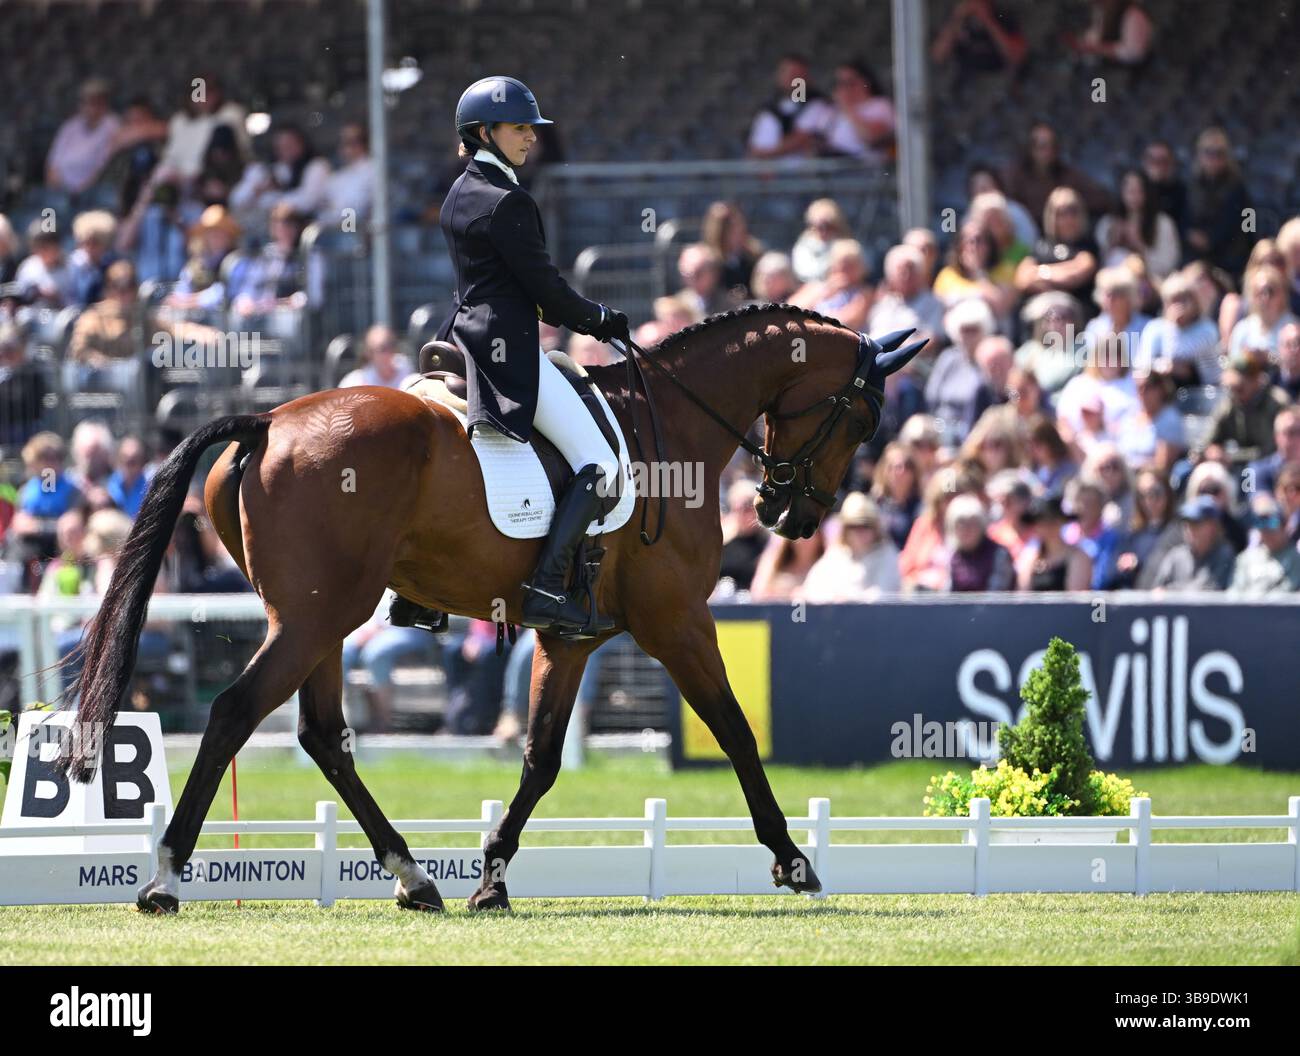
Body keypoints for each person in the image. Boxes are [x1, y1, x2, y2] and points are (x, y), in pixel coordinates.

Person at [418, 77, 629, 638]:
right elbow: (548, 292)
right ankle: (545, 588)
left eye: (531, 128)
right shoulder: (508, 201)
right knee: (601, 464)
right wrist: (602, 320)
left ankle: (415, 595)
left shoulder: (458, 194)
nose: (531, 138)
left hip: (460, 335)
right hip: (506, 349)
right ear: (484, 132)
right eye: (519, 128)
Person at [800, 492, 899, 600]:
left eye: (866, 526)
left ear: (875, 529)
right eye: (854, 526)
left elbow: (882, 595)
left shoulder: (887, 555)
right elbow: (813, 589)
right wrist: (833, 598)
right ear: (845, 530)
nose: (860, 532)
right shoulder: (835, 556)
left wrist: (848, 599)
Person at [1184, 126, 1253, 276]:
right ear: (1199, 154)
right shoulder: (1189, 186)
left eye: (1219, 153)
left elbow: (1250, 222)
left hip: (1229, 259)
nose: (1214, 158)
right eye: (1208, 152)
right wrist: (1189, 234)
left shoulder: (1238, 187)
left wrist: (1211, 239)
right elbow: (1183, 220)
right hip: (1195, 257)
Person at [1095, 169, 1180, 281]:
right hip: (1115, 285)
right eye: (1129, 190)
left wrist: (1139, 245)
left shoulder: (1163, 223)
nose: (1133, 196)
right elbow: (1100, 264)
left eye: (1138, 191)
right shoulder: (1107, 223)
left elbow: (1167, 266)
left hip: (1152, 285)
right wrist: (1113, 242)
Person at [746, 54, 835, 160]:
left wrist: (766, 154)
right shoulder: (768, 109)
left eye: (798, 75)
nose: (793, 79)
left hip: (799, 173)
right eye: (787, 73)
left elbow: (802, 139)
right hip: (771, 173)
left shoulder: (819, 105)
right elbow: (754, 149)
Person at [45, 78, 121, 196]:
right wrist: (55, 188)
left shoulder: (112, 126)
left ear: (104, 104)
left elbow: (103, 167)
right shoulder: (70, 125)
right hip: (59, 190)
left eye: (94, 102)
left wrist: (80, 192)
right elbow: (52, 165)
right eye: (85, 102)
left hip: (90, 192)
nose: (89, 107)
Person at [1151, 494, 1236, 591]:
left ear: (1213, 525)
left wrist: (1170, 591)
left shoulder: (1224, 555)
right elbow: (1157, 592)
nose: (1190, 529)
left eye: (1196, 523)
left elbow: (1208, 592)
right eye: (1187, 523)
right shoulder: (1176, 556)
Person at [1015, 494, 1092, 591]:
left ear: (1062, 522)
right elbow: (1023, 596)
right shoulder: (1029, 557)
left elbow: (1075, 599)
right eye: (1042, 522)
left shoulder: (1078, 557)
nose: (1048, 526)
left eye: (1053, 520)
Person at [1230, 495, 1300, 594]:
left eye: (1271, 522)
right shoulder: (1246, 559)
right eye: (1260, 522)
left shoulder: (1296, 560)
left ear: (1284, 525)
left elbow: (1287, 596)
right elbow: (1234, 594)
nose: (1266, 530)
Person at [945, 493, 1014, 591]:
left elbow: (997, 596)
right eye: (961, 523)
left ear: (982, 525)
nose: (967, 529)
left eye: (972, 523)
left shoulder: (999, 554)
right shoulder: (952, 555)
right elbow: (947, 594)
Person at [1228, 263, 1296, 359]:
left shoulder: (1293, 328)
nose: (1265, 298)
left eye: (1270, 291)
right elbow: (1233, 368)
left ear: (1281, 294)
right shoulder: (1242, 329)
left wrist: (1268, 358)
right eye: (1260, 293)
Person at [340, 324, 416, 389]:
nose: (389, 351)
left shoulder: (406, 369)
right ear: (369, 353)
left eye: (392, 345)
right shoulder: (355, 382)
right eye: (383, 348)